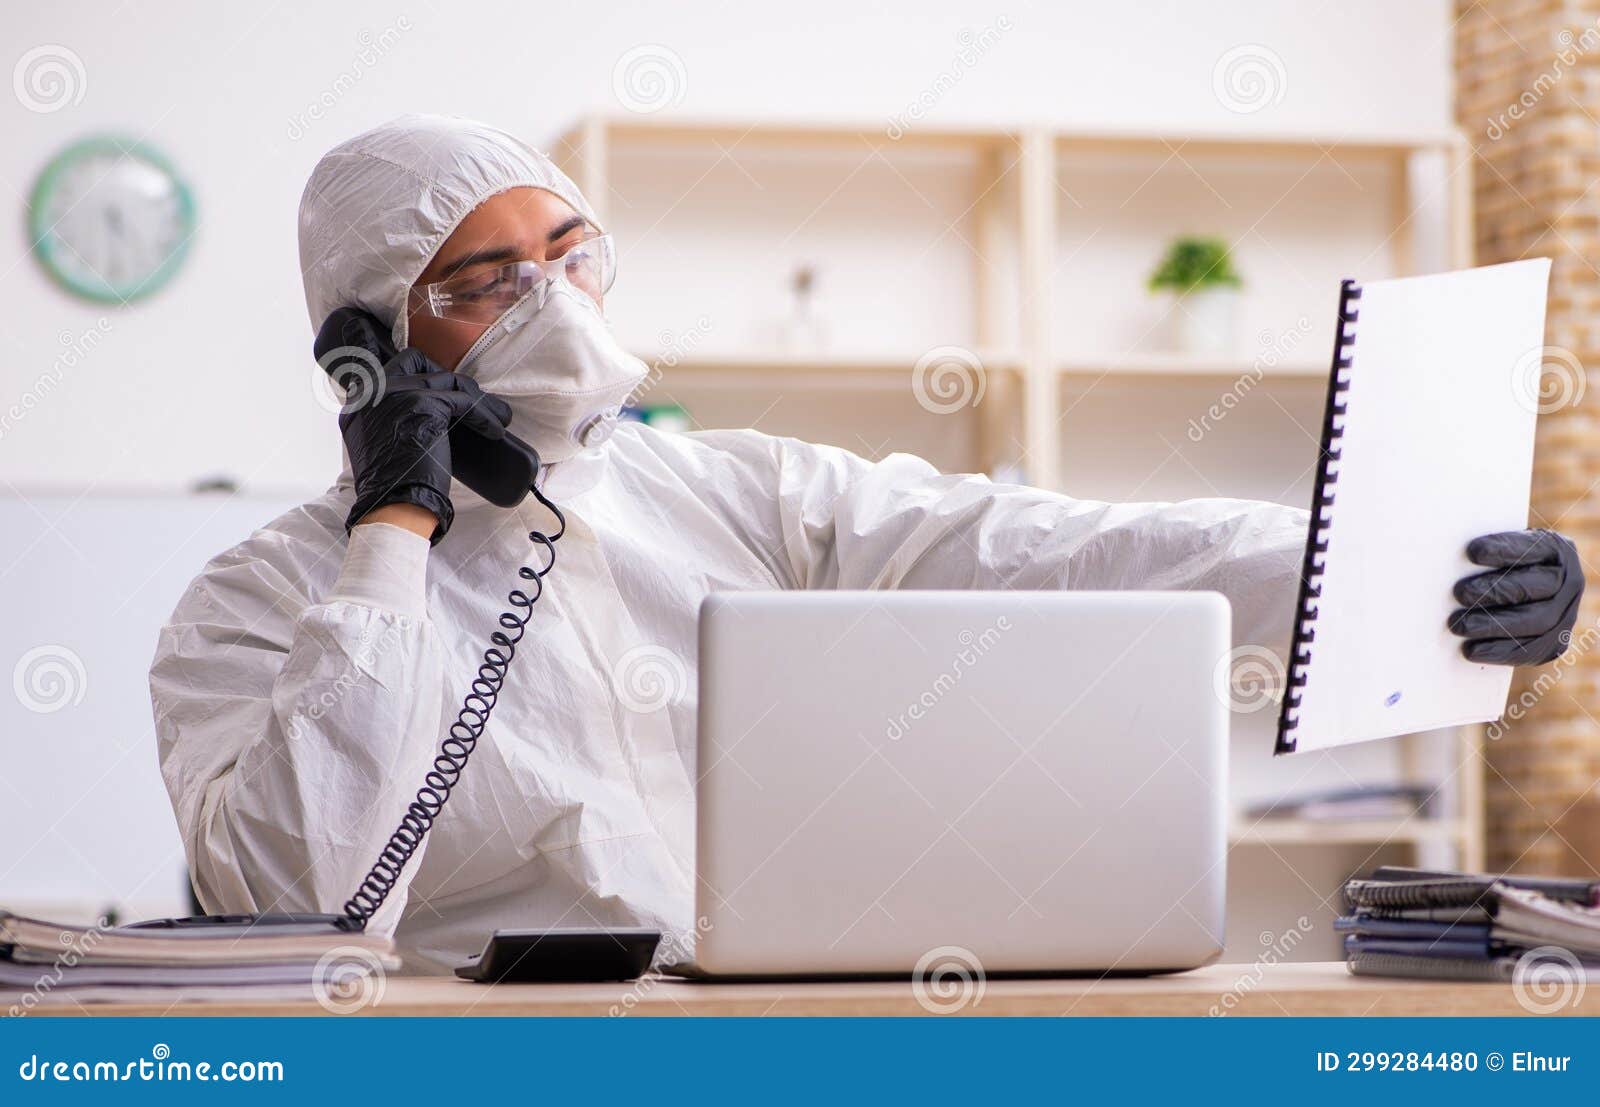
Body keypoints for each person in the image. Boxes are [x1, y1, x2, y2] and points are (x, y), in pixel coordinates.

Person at [149, 115, 1584, 971]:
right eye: (485, 281)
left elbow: (1051, 549)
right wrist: (395, 526)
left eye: (572, 252)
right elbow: (290, 910)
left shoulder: (744, 492)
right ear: (370, 344)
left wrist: (1399, 572)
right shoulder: (256, 603)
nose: (559, 304)